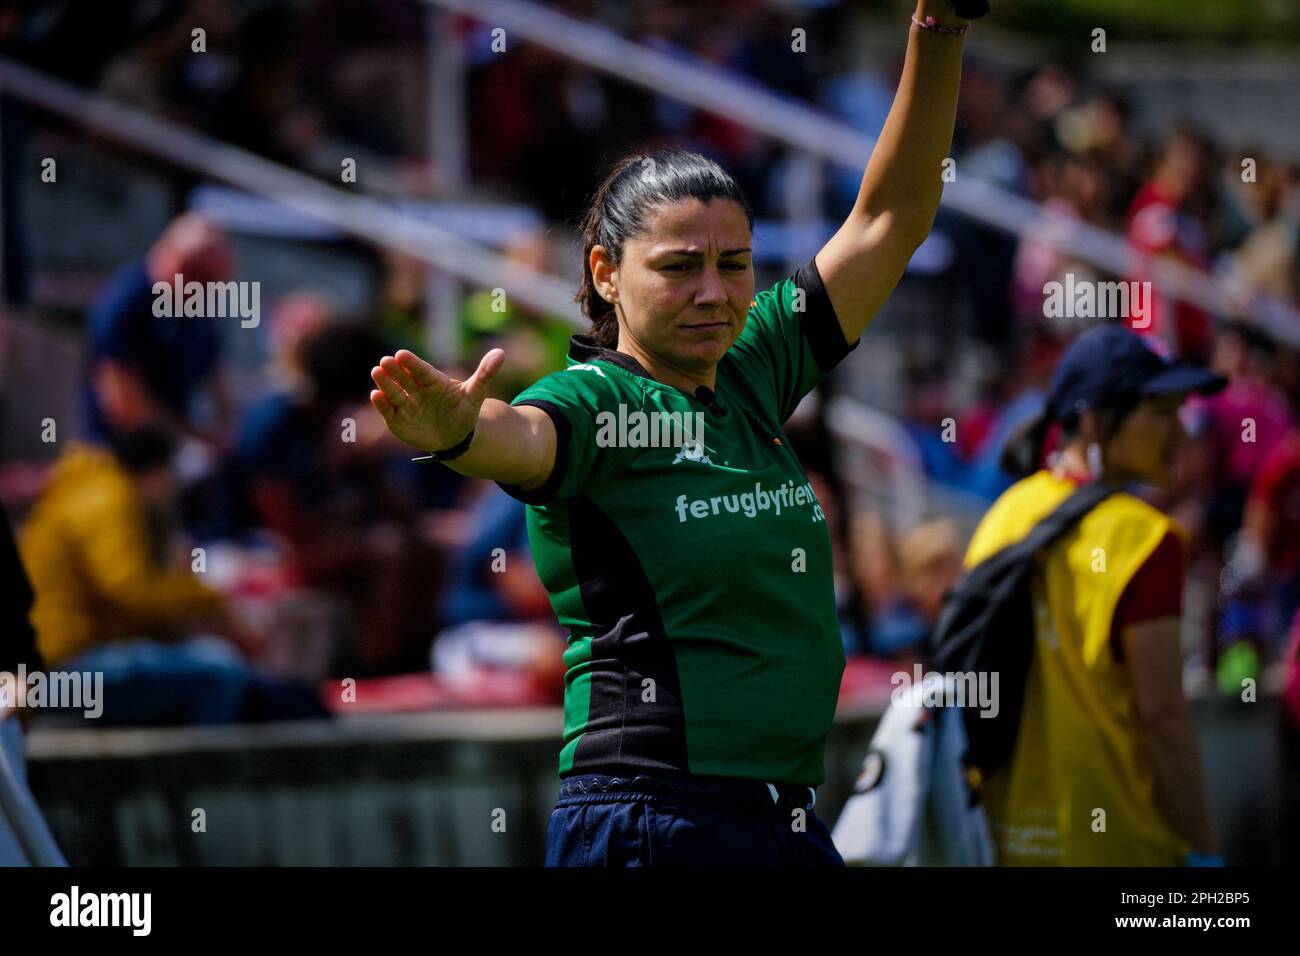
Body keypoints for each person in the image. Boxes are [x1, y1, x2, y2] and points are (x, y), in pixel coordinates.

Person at [370, 0, 984, 866]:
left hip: (783, 823)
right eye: (678, 267)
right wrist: (461, 432)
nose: (714, 292)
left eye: (734, 265)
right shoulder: (592, 401)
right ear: (605, 274)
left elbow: (890, 219)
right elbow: (524, 440)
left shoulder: (756, 368)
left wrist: (939, 30)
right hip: (651, 821)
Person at [976, 323, 1226, 865]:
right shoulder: (1144, 539)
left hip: (1005, 845)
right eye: (1160, 413)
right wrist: (1208, 855)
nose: (1180, 434)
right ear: (1093, 421)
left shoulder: (1002, 517)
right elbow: (1164, 718)